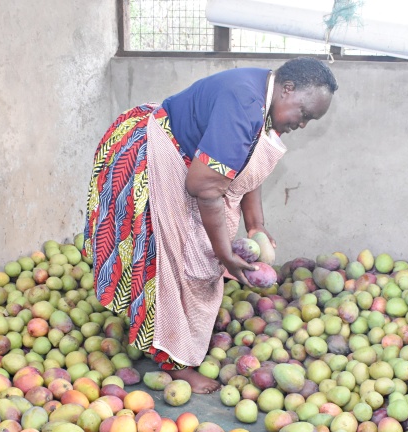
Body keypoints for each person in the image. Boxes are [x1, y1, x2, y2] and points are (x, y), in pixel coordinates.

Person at [83, 57, 337, 393]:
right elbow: (203, 187)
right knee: (172, 265)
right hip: (150, 157)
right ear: (287, 89)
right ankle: (173, 362)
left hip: (184, 159)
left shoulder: (264, 98)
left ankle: (170, 332)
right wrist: (224, 253)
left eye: (309, 120)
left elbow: (246, 162)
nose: (302, 124)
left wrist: (256, 225)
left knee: (192, 259)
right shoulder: (245, 105)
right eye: (304, 114)